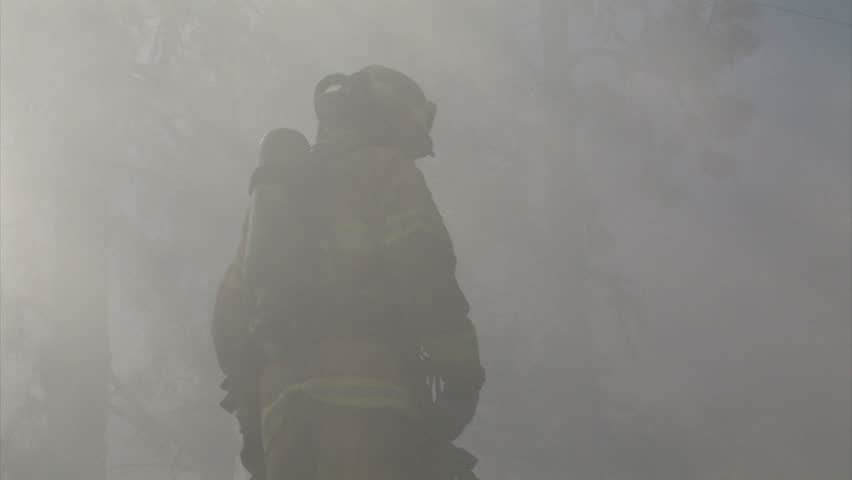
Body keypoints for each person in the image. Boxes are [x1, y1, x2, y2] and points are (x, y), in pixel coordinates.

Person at [211, 65, 484, 480]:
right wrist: (463, 375)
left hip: (281, 415)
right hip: (369, 401)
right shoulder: (385, 170)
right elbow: (425, 280)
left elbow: (227, 323)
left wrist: (256, 411)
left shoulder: (277, 198)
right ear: (389, 121)